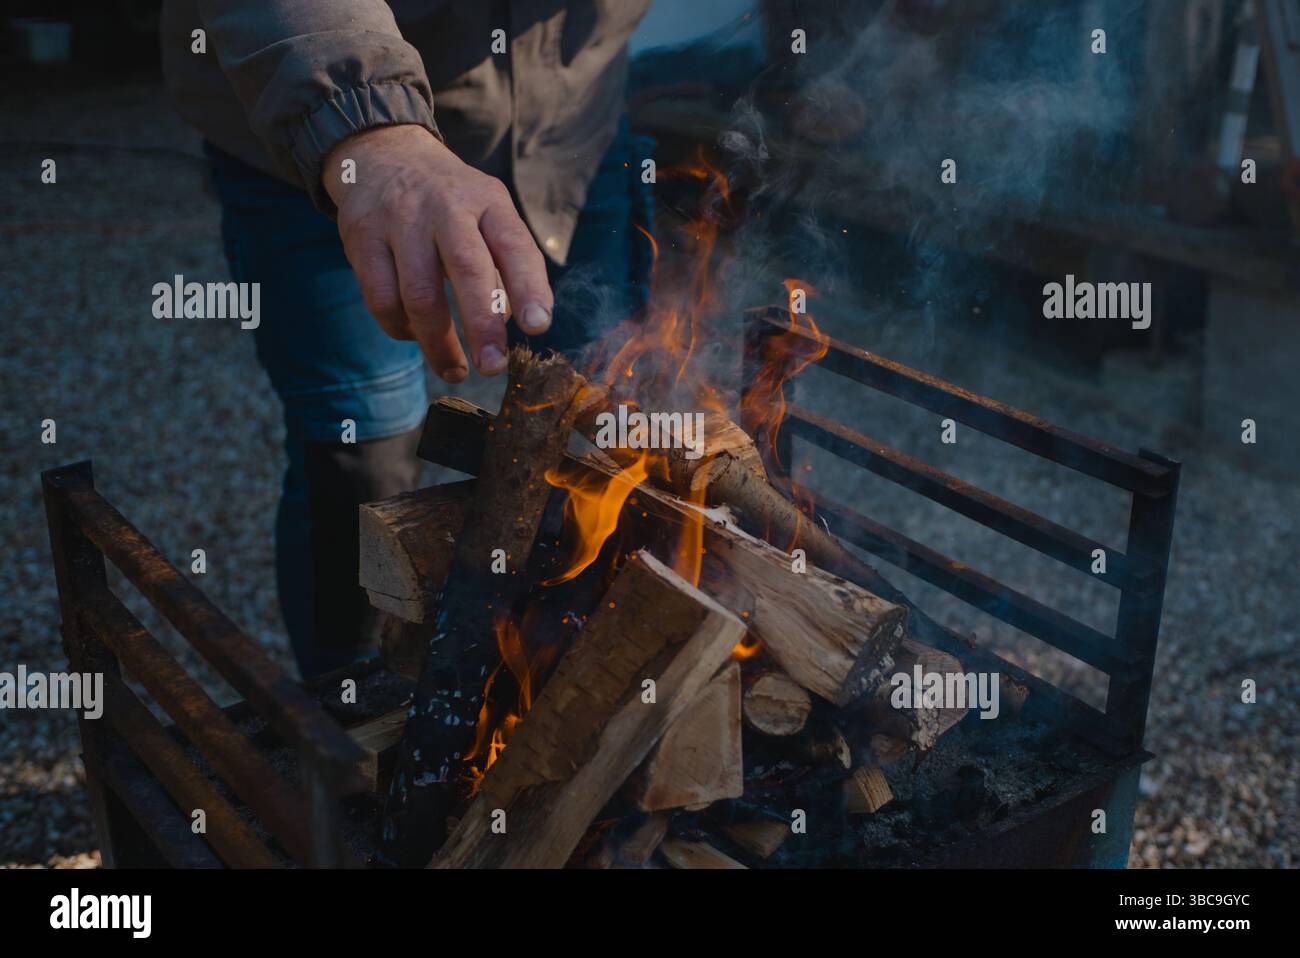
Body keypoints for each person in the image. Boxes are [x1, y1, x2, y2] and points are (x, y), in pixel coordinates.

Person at [159, 1, 655, 675]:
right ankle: (346, 697)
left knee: (616, 418)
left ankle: (578, 666)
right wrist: (364, 122)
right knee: (361, 440)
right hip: (319, 135)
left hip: (569, 125)